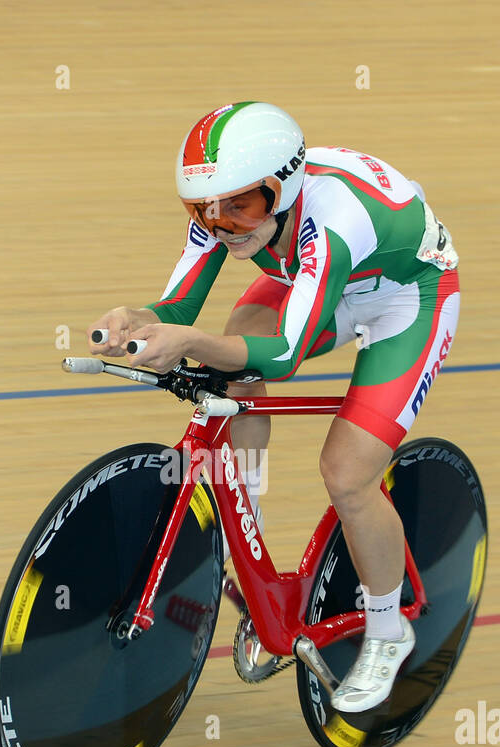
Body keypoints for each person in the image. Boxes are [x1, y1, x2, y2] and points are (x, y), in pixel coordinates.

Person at [88, 101, 459, 713]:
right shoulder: (227, 207)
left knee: (347, 473)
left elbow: (282, 353)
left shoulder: (334, 221)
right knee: (235, 344)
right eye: (205, 209)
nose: (225, 225)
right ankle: (249, 528)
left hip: (407, 300)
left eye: (243, 208)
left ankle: (390, 630)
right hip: (327, 281)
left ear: (282, 189)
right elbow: (178, 309)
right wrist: (140, 318)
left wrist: (190, 344)